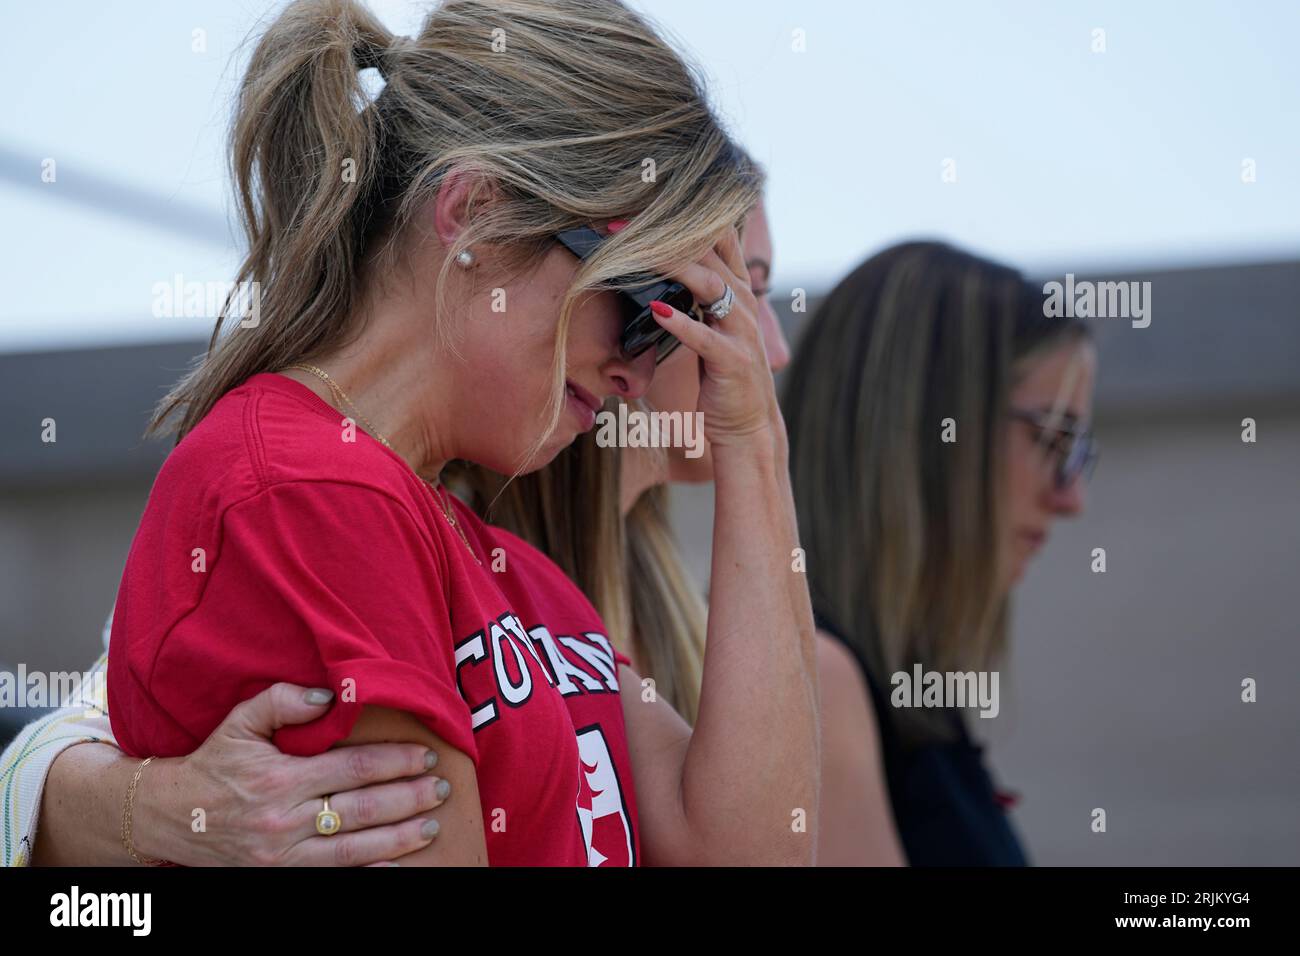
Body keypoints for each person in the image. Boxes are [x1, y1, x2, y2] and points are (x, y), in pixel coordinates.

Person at [4, 0, 819, 867]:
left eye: (682, 319)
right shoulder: (308, 488)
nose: (643, 370)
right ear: (472, 212)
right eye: (641, 302)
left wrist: (753, 444)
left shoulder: (508, 570)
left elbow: (760, 851)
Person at [781, 241, 1098, 865]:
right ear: (928, 429)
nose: (1072, 497)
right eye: (1053, 438)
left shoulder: (896, 689)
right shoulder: (813, 679)